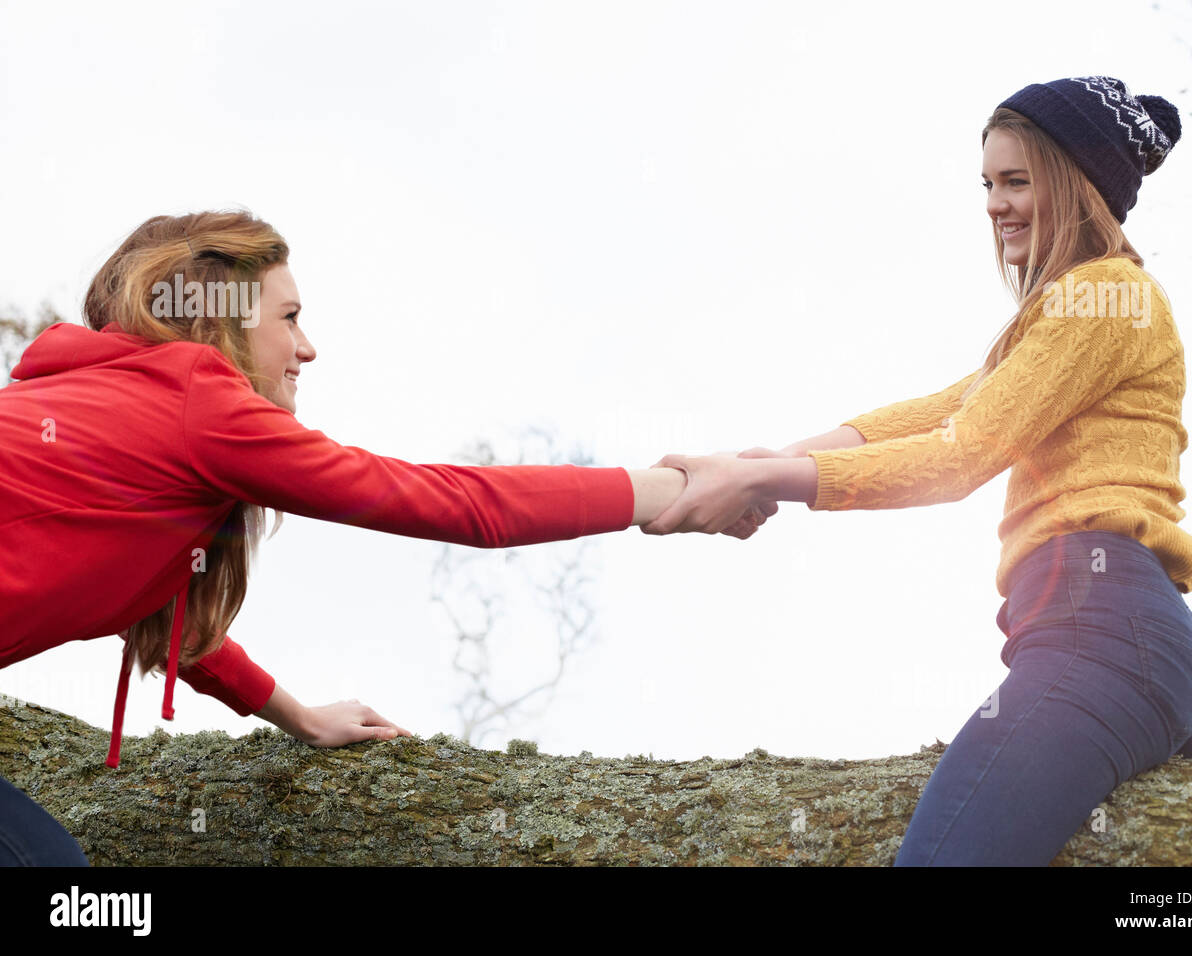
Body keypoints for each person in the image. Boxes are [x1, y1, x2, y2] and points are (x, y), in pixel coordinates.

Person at [644, 76, 1192, 866]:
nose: (994, 203)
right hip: (1133, 638)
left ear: (1077, 184)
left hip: (1104, 635)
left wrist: (759, 485)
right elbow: (940, 410)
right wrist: (766, 461)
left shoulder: (1108, 295)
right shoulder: (1069, 319)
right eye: (988, 183)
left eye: (1017, 180)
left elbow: (959, 455)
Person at [0, 210, 687, 865]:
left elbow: (159, 620)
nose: (307, 347)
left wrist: (296, 716)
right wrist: (661, 492)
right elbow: (460, 505)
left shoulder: (117, 406)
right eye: (289, 318)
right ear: (220, 319)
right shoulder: (195, 404)